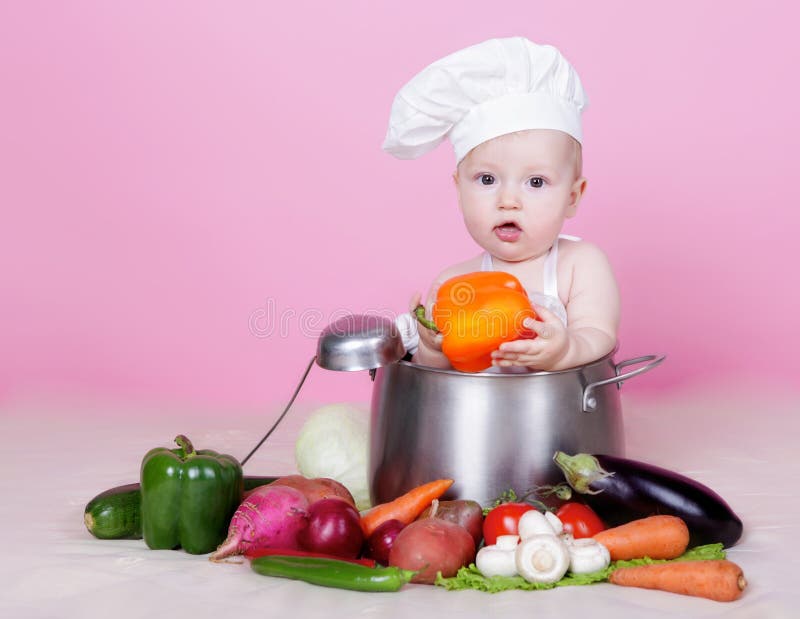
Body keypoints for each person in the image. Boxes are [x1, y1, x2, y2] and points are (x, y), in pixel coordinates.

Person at [386, 37, 620, 372]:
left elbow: (599, 335)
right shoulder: (453, 282)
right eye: (486, 180)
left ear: (572, 198)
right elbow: (437, 375)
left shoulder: (580, 266)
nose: (508, 202)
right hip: (474, 422)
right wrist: (431, 346)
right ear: (458, 189)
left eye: (536, 182)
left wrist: (565, 351)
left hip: (557, 418)